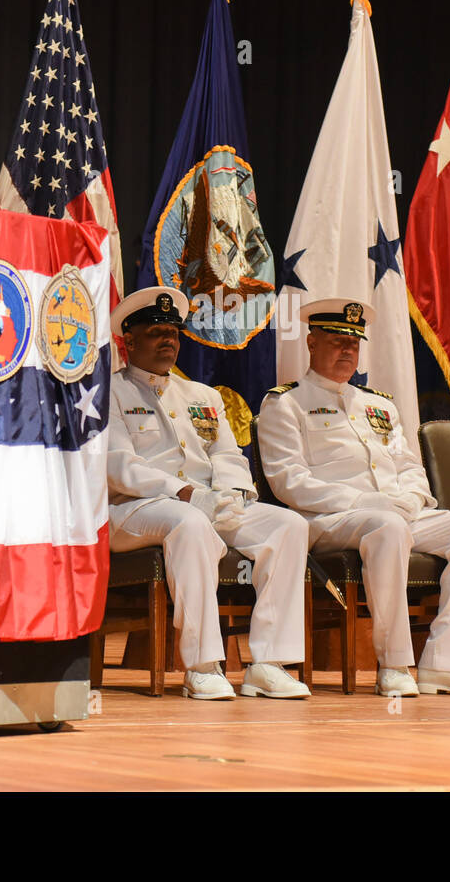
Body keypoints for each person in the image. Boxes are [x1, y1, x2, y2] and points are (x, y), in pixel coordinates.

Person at [257, 298, 450, 697]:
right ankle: (394, 663)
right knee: (386, 526)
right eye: (337, 340)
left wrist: (413, 498)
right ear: (311, 342)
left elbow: (409, 465)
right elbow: (289, 482)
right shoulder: (285, 403)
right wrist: (364, 504)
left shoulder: (379, 405)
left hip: (395, 513)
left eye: (354, 342)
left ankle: (446, 662)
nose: (348, 350)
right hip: (329, 519)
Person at [107, 287, 311, 700]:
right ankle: (202, 665)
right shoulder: (107, 391)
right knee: (191, 522)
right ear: (129, 341)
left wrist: (233, 492)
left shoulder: (203, 396)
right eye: (156, 331)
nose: (168, 340)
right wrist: (182, 492)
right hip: (134, 508)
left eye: (174, 332)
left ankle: (268, 664)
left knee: (287, 525)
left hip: (206, 502)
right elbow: (117, 465)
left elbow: (227, 454)